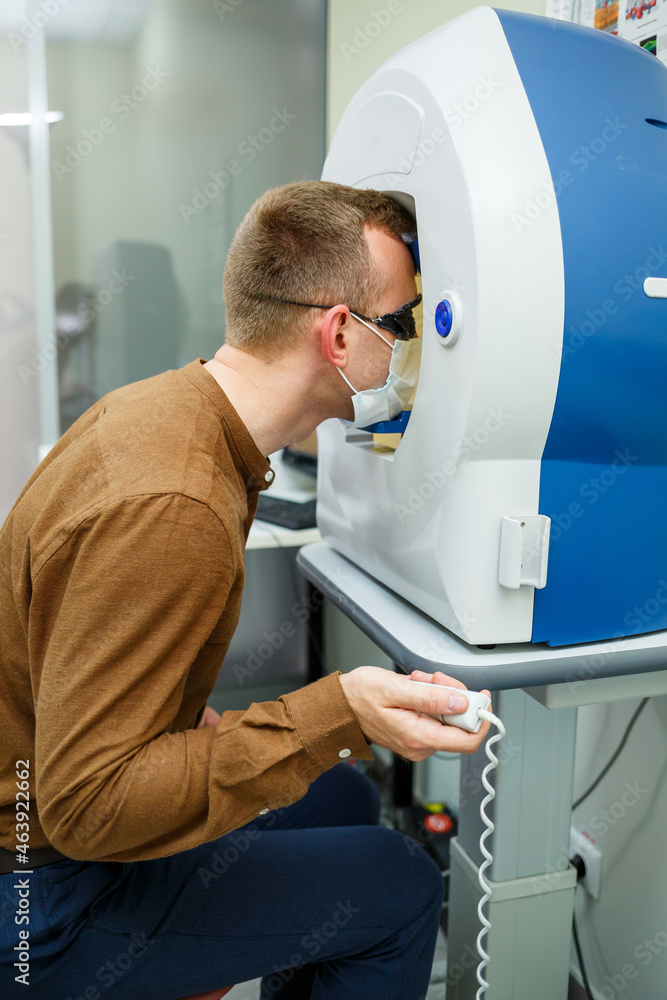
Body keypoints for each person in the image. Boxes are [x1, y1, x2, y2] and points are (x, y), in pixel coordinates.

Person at [0, 180, 491, 1000]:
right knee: (399, 884)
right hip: (37, 900)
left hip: (38, 815)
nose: (410, 350)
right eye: (401, 326)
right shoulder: (177, 504)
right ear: (339, 333)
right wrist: (343, 711)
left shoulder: (164, 410)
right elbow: (88, 808)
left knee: (337, 792)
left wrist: (172, 722)